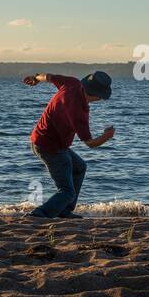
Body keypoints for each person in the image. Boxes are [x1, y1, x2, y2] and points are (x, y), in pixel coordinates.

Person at [22, 71, 115, 218]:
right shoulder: (79, 111)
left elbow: (47, 76)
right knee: (67, 191)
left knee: (79, 167)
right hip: (50, 148)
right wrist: (107, 136)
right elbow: (90, 143)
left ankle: (64, 211)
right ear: (97, 97)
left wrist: (35, 78)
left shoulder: (73, 83)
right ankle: (38, 215)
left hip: (44, 140)